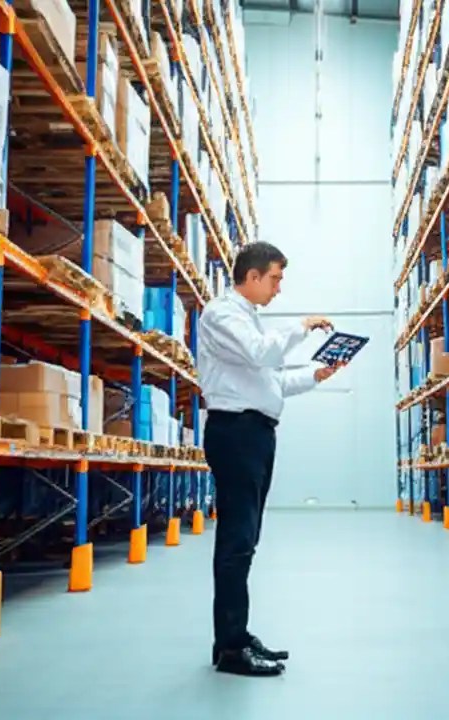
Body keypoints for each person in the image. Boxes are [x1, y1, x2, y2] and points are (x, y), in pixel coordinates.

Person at [198, 241, 341, 677]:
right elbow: (264, 353)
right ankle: (230, 648)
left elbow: (271, 383)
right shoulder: (222, 315)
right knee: (237, 541)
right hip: (236, 433)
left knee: (246, 539)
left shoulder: (247, 321)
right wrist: (302, 326)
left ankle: (236, 636)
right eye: (275, 279)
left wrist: (316, 375)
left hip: (255, 433)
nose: (278, 288)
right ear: (253, 275)